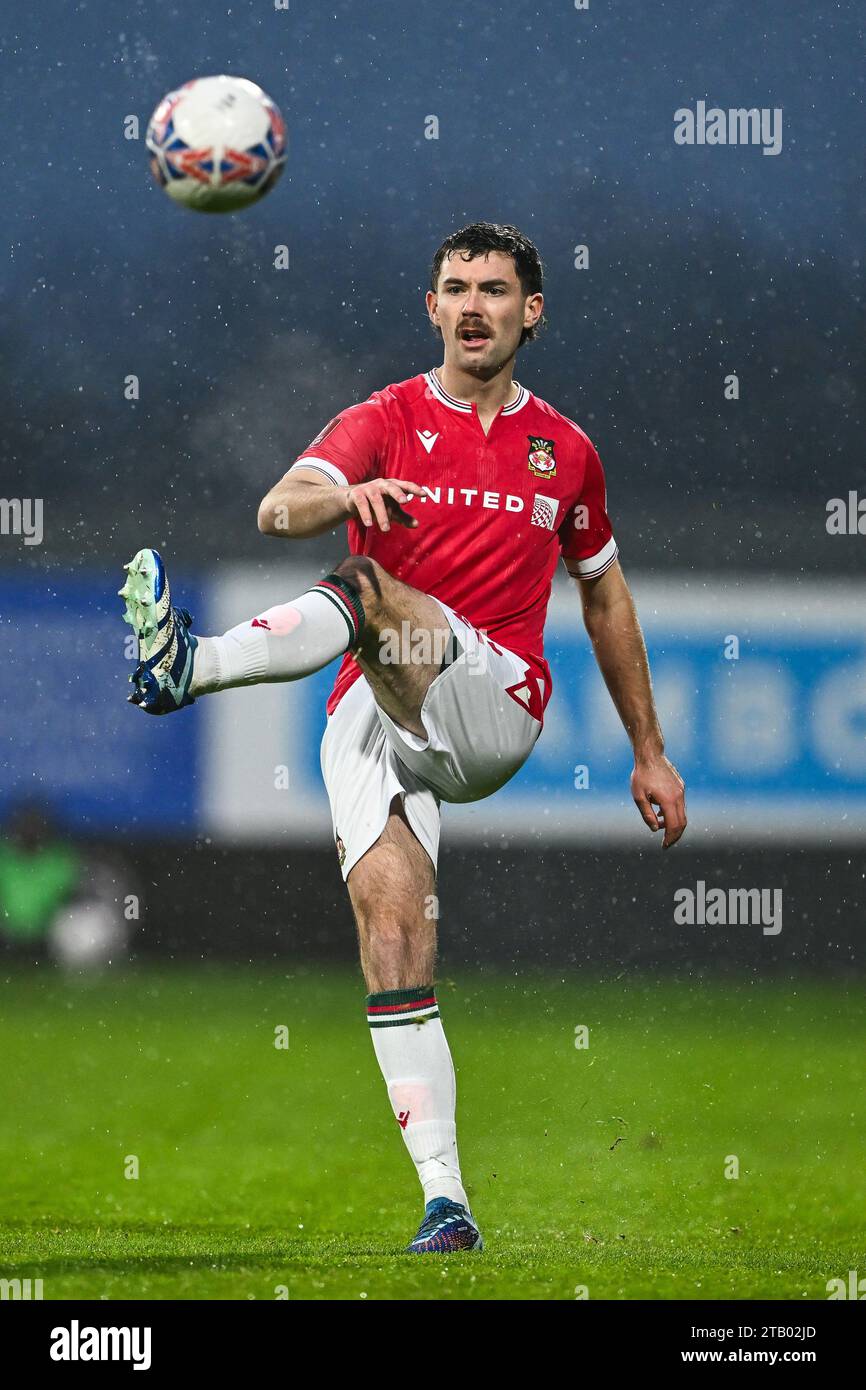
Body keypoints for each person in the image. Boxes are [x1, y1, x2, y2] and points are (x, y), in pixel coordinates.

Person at [119, 222, 687, 1253]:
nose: (475, 305)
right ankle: (446, 1203)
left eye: (496, 290)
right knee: (392, 934)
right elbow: (278, 508)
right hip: (374, 712)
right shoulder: (380, 420)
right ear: (430, 307)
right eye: (456, 288)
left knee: (369, 587)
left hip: (492, 703)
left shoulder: (567, 452)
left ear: (531, 313)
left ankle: (187, 668)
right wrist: (342, 493)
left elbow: (603, 598)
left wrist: (646, 749)